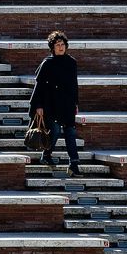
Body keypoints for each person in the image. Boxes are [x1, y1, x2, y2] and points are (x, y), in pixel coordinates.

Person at [28, 30, 82, 177]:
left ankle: (74, 165)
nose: (61, 47)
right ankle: (46, 154)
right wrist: (38, 105)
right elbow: (39, 86)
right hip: (51, 104)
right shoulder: (47, 64)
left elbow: (74, 85)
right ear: (52, 47)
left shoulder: (71, 63)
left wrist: (76, 103)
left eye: (63, 44)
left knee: (70, 132)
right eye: (58, 44)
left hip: (68, 104)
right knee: (56, 130)